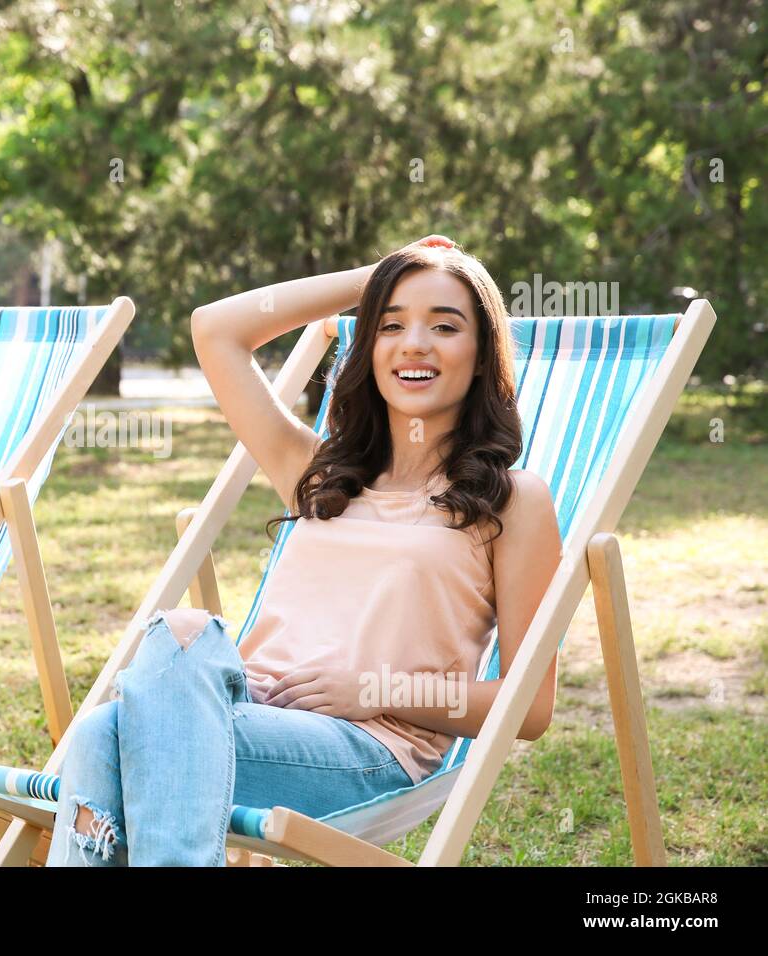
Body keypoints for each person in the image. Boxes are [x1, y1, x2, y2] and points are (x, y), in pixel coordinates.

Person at [45, 235, 563, 866]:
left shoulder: (510, 501)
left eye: (445, 326)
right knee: (177, 640)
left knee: (108, 732)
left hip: (367, 752)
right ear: (369, 347)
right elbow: (216, 330)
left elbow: (530, 707)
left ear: (483, 356)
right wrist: (377, 276)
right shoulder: (320, 475)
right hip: (240, 712)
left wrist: (376, 690)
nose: (415, 344)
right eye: (391, 324)